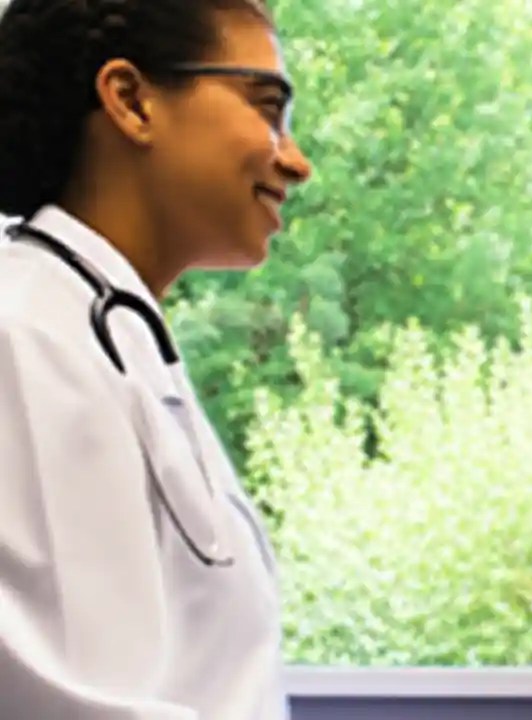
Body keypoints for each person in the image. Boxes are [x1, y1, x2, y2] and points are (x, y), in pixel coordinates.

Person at [0, 0, 311, 717]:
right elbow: (67, 702)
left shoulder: (111, 336)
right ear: (132, 101)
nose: (296, 160)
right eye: (267, 107)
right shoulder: (26, 341)